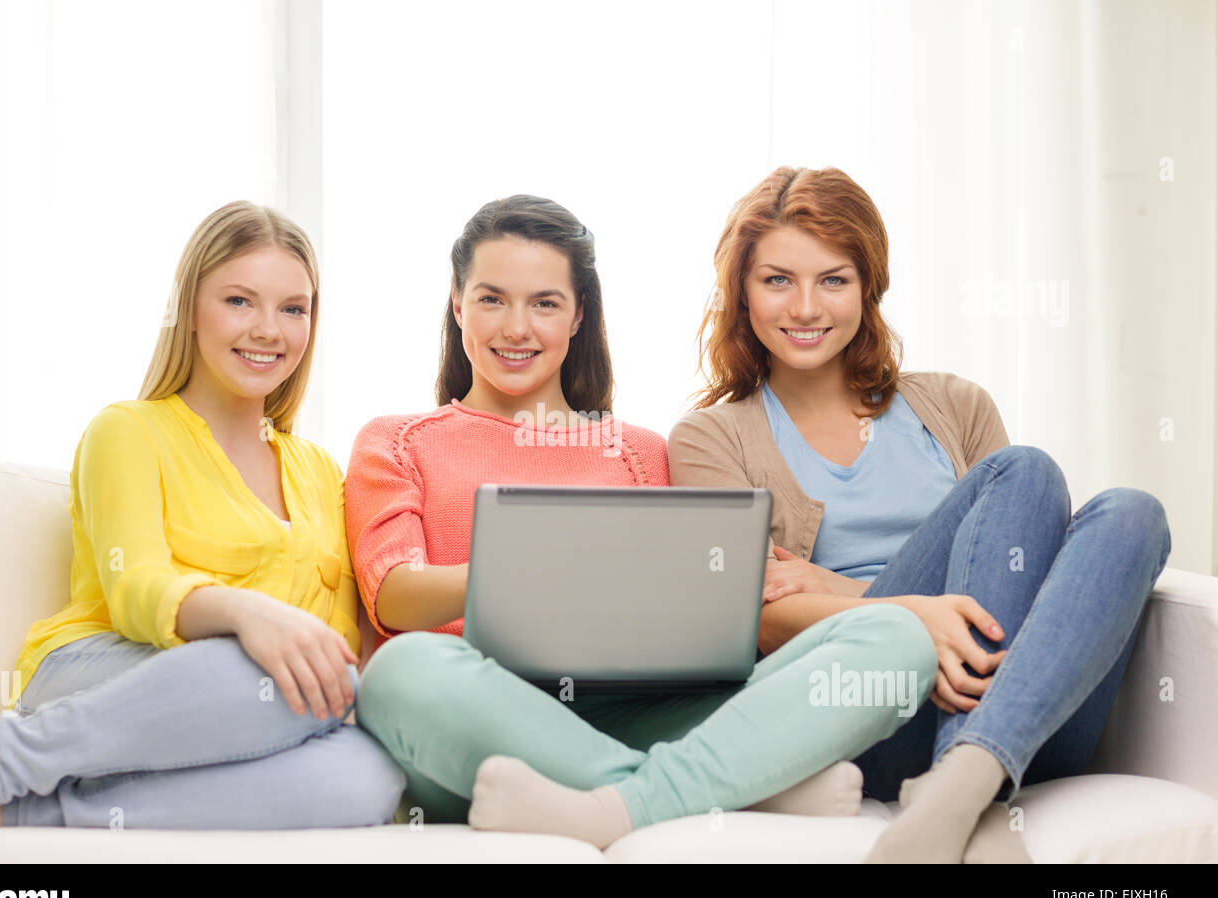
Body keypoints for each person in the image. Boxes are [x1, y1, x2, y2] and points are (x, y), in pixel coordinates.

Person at [346, 193, 940, 851]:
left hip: (643, 709)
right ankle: (731, 785)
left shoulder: (641, 450)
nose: (516, 326)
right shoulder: (396, 440)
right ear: (457, 303)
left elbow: (717, 603)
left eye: (544, 302)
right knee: (400, 672)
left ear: (577, 317)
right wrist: (529, 572)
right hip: (485, 715)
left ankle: (629, 797)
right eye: (491, 299)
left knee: (896, 637)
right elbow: (394, 594)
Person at [667, 166, 1171, 862]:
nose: (806, 306)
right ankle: (967, 789)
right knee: (1024, 468)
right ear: (741, 292)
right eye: (777, 279)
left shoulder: (954, 405)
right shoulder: (711, 438)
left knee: (1133, 512)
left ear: (868, 287)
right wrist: (908, 620)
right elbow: (745, 617)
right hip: (869, 713)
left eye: (834, 279)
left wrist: (849, 589)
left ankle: (962, 782)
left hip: (1021, 707)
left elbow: (1025, 564)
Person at [0, 200, 404, 833]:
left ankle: (34, 813)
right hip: (109, 670)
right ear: (189, 313)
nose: (268, 329)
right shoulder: (128, 430)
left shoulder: (318, 469)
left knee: (367, 778)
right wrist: (244, 613)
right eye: (239, 301)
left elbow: (332, 640)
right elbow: (133, 588)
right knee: (261, 672)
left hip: (253, 708)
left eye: (293, 309)